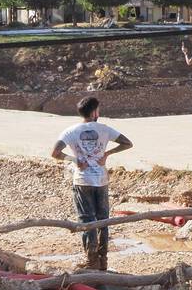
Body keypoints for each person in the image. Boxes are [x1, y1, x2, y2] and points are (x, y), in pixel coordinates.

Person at [51, 96, 133, 271]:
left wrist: (74, 159)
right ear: (95, 112)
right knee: (103, 220)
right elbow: (127, 143)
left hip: (82, 181)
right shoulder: (104, 129)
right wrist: (107, 154)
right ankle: (103, 261)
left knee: (86, 220)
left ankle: (91, 261)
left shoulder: (71, 131)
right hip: (101, 180)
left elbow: (55, 152)